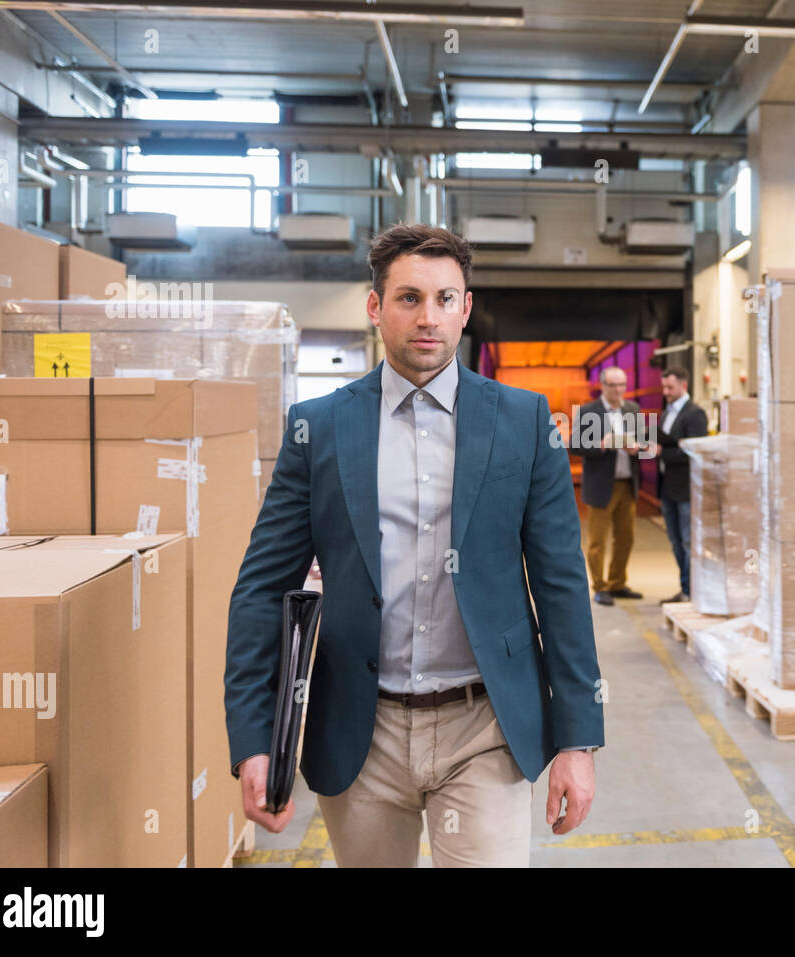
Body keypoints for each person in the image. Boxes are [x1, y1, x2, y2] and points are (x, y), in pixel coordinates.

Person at [224, 224, 603, 867]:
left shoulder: (523, 420)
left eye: (445, 298)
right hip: (359, 730)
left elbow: (560, 582)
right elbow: (262, 587)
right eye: (408, 298)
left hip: (483, 726)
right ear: (375, 308)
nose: (428, 317)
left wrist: (577, 741)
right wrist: (255, 739)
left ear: (466, 308)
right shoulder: (319, 428)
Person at [570, 367, 644, 606]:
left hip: (626, 484)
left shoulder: (632, 409)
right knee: (597, 540)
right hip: (602, 485)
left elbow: (644, 441)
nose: (618, 390)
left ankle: (617, 583)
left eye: (622, 384)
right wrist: (601, 445)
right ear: (603, 386)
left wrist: (638, 447)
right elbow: (575, 446)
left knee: (626, 538)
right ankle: (600, 586)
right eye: (613, 385)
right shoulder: (589, 411)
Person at [650, 366, 707, 603]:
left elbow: (695, 452)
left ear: (684, 385)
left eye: (670, 387)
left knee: (687, 541)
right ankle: (685, 588)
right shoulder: (666, 414)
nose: (665, 392)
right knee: (674, 540)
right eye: (664, 387)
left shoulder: (695, 414)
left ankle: (692, 591)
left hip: (685, 489)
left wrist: (662, 452)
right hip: (667, 488)